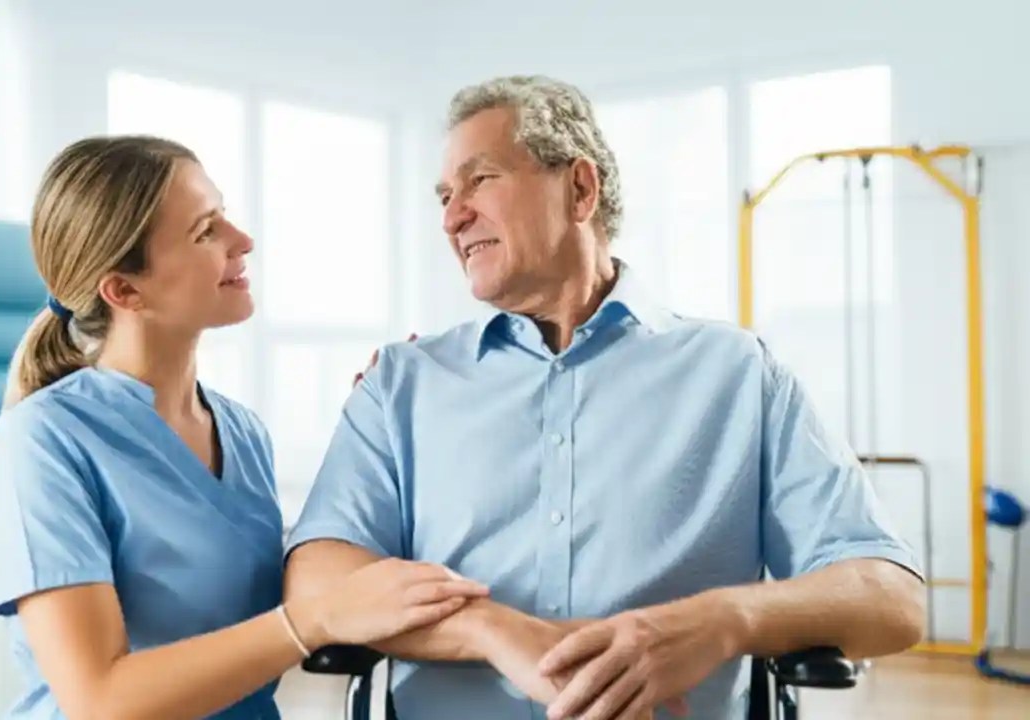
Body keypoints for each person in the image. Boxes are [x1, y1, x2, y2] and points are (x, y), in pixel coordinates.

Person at [283, 75, 926, 720]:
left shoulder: (736, 376)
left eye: (480, 181)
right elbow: (316, 582)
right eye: (446, 196)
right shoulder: (402, 382)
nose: (453, 218)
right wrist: (494, 630)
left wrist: (720, 621)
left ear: (581, 189)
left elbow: (891, 599)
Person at [0, 135, 491, 720]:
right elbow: (102, 701)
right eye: (205, 231)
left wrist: (377, 433)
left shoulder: (241, 432)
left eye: (223, 216)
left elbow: (271, 610)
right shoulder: (44, 442)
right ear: (124, 289)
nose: (242, 241)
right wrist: (310, 620)